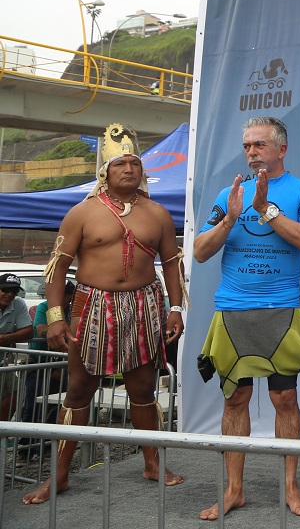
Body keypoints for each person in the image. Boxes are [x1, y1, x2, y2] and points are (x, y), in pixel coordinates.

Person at [22, 123, 186, 505]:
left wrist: (175, 308)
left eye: (134, 163)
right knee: (79, 389)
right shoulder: (82, 212)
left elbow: (172, 263)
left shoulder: (158, 213)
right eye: (120, 164)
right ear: (105, 173)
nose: (129, 169)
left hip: (145, 304)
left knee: (143, 389)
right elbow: (56, 269)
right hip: (92, 304)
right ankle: (59, 476)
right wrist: (57, 317)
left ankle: (152, 463)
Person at [194, 116, 300, 520]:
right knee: (236, 398)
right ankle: (234, 490)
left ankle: (290, 487)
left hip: (280, 310)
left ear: (281, 149)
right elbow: (199, 251)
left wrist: (265, 209)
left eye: (259, 145)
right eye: (247, 145)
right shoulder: (228, 193)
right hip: (232, 310)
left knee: (284, 398)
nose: (251, 152)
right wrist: (232, 217)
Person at [21, 280, 77, 427]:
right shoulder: (45, 307)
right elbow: (41, 331)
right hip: (39, 363)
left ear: (68, 297)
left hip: (63, 364)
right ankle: (27, 444)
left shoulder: (72, 310)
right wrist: (59, 329)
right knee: (33, 404)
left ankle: (49, 442)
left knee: (59, 404)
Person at [0, 272, 34, 420]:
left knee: (14, 391)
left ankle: (3, 432)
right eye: (5, 290)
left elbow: (28, 331)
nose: (9, 294)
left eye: (14, 291)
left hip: (3, 361)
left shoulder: (18, 303)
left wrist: (7, 337)